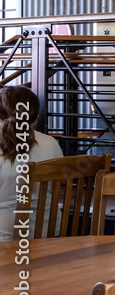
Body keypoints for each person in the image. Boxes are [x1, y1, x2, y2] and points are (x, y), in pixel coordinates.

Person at [0, 86, 63, 241]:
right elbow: (58, 185)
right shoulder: (51, 143)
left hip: (4, 238)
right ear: (36, 117)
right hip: (49, 232)